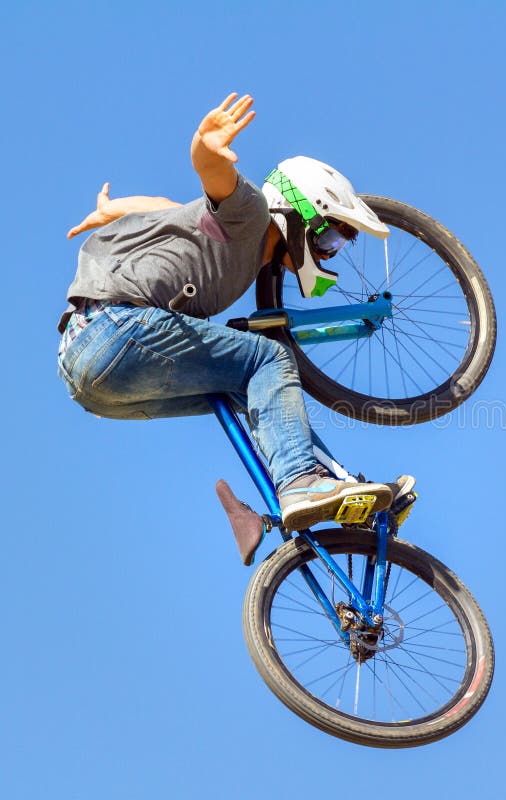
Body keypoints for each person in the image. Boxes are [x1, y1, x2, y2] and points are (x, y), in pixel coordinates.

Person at [57, 92, 414, 564]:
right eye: (329, 237)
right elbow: (214, 174)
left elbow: (166, 204)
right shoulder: (251, 214)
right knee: (268, 358)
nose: (328, 255)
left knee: (246, 387)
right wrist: (206, 145)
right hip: (118, 330)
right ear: (301, 212)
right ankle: (300, 483)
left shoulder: (225, 237)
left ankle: (329, 489)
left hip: (91, 380)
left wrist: (114, 211)